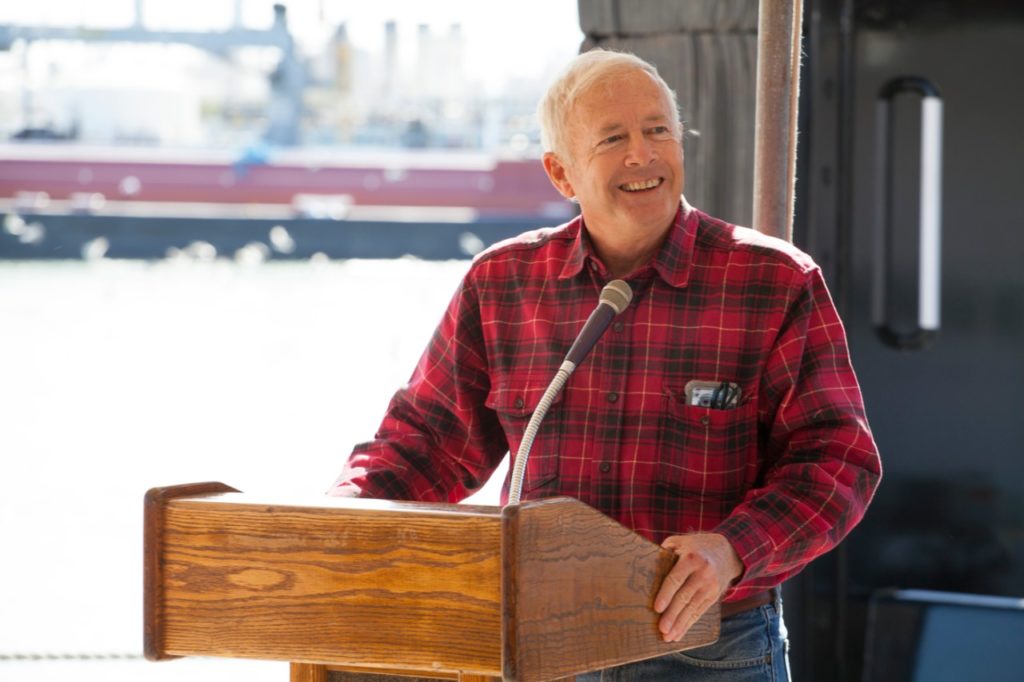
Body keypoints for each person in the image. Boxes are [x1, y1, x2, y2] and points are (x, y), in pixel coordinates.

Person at [329, 49, 881, 681]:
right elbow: (427, 446)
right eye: (613, 138)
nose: (642, 154)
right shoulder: (502, 281)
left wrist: (733, 549)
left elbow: (839, 459)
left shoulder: (775, 280)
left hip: (706, 648)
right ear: (561, 174)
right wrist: (334, 519)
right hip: (538, 643)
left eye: (658, 131)